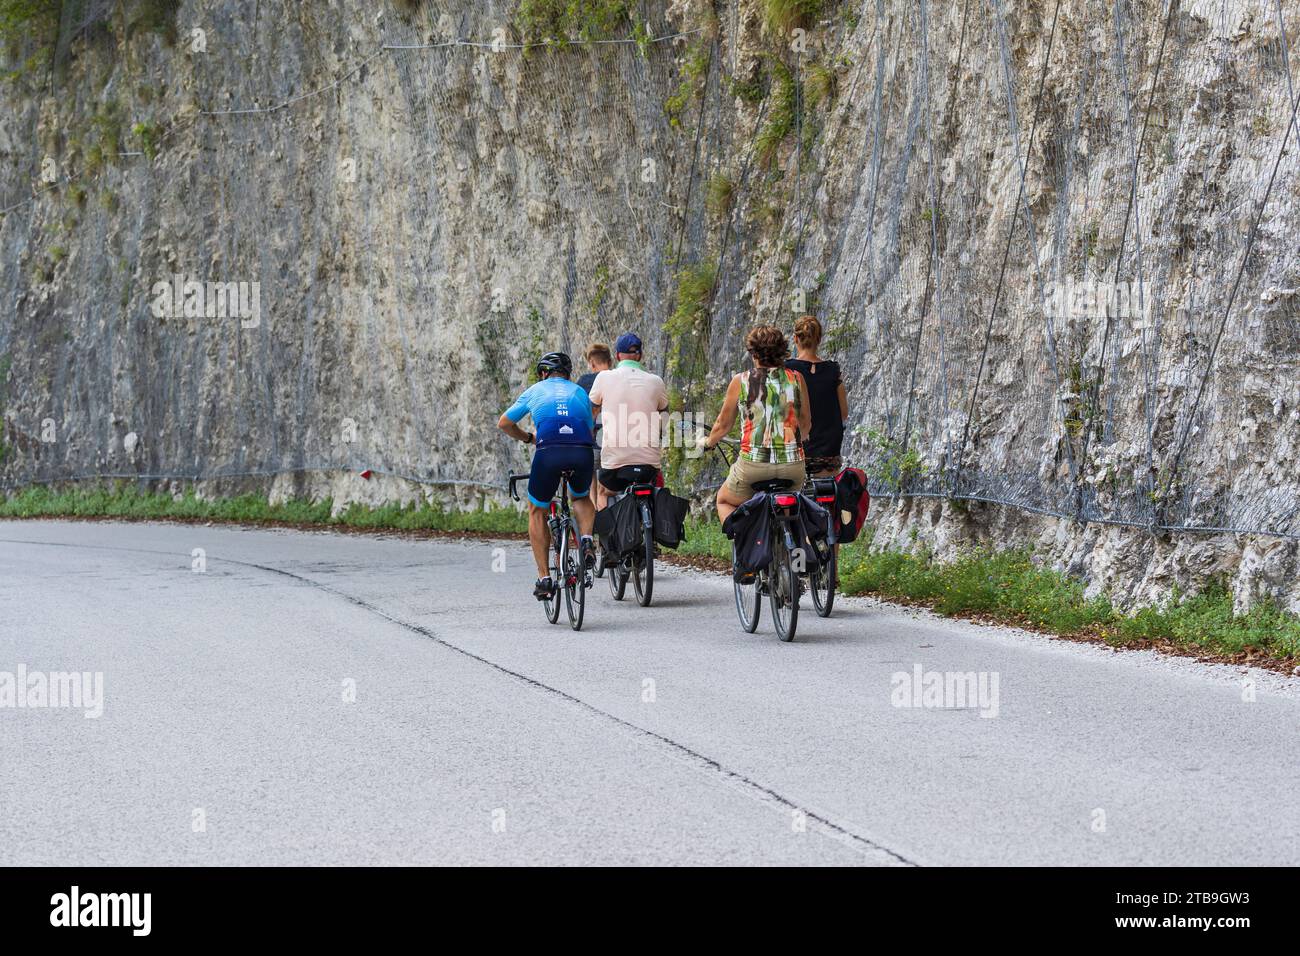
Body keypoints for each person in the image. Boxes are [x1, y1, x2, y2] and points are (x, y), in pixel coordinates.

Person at [498, 351, 597, 600]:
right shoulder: (580, 392)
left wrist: (529, 438)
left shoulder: (535, 390)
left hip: (549, 451)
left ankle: (544, 579)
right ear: (567, 374)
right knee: (581, 497)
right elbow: (588, 427)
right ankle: (586, 540)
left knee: (537, 509)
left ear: (543, 373)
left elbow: (504, 423)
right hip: (581, 451)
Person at [700, 325, 811, 524]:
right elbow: (805, 424)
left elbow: (722, 425)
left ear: (753, 354)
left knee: (724, 500)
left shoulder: (741, 381)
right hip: (792, 467)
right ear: (782, 352)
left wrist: (708, 442)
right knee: (791, 510)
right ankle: (791, 545)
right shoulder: (796, 379)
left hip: (753, 466)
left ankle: (744, 547)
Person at [588, 332, 668, 511]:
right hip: (649, 464)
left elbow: (590, 414)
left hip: (615, 463)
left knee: (603, 492)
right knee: (653, 483)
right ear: (640, 355)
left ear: (617, 356)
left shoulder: (604, 377)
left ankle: (606, 538)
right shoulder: (656, 382)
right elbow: (664, 416)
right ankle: (652, 533)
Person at [785, 315, 848, 477]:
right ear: (819, 339)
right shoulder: (833, 370)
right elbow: (844, 413)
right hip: (829, 452)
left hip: (798, 451)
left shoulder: (788, 369)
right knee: (830, 492)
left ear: (795, 339)